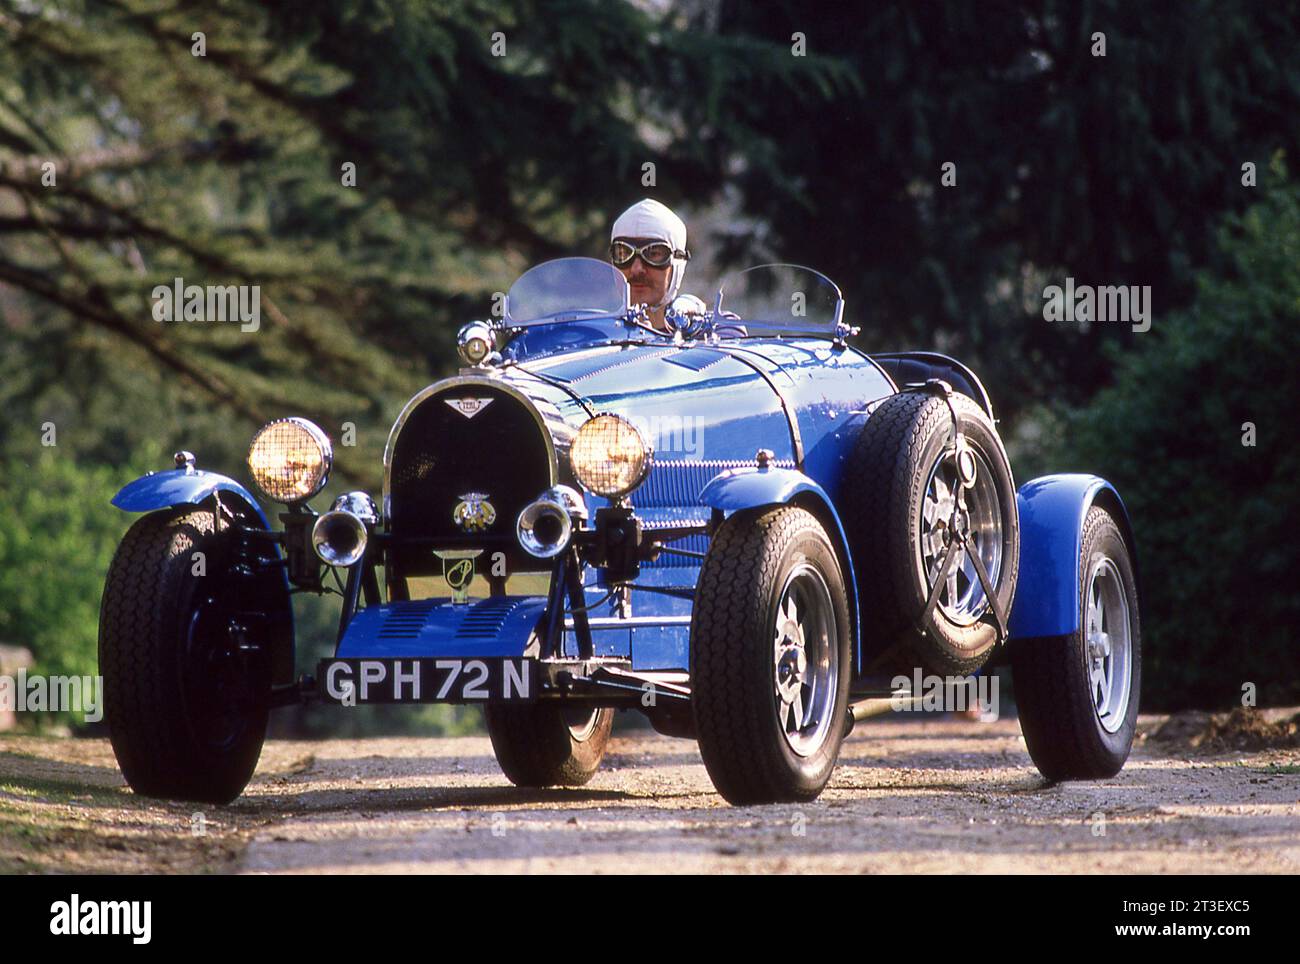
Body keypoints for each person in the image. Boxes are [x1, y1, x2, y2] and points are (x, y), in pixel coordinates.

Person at [609, 198, 692, 333]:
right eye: (624, 253)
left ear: (678, 261)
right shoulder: (599, 337)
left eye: (653, 254)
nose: (637, 269)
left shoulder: (712, 337)